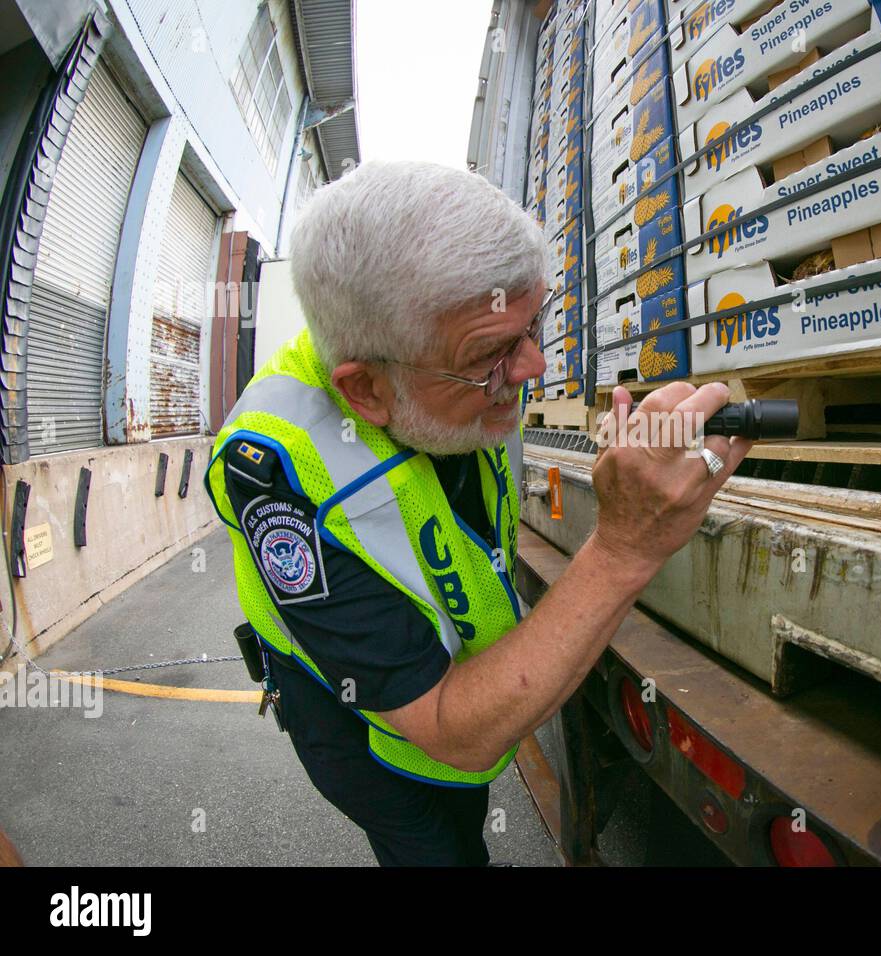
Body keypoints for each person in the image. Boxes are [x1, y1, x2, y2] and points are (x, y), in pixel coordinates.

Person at [205, 161, 752, 865]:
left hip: (461, 699)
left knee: (466, 821)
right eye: (492, 355)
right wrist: (624, 549)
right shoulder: (276, 468)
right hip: (366, 736)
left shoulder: (445, 366)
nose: (530, 369)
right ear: (367, 390)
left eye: (535, 327)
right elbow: (449, 729)